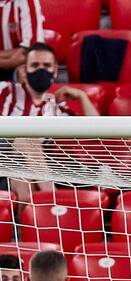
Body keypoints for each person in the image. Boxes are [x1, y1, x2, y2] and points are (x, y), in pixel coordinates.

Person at [0, 43, 98, 209]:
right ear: (24, 70)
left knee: (24, 187)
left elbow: (97, 131)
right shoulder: (6, 90)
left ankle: (30, 229)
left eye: (46, 66)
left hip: (19, 168)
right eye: (35, 65)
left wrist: (82, 97)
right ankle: (53, 202)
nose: (41, 70)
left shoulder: (55, 107)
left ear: (55, 70)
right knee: (27, 140)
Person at [0, 0, 43, 82]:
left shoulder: (27, 2)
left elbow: (29, 51)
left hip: (16, 67)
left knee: (26, 70)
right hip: (9, 59)